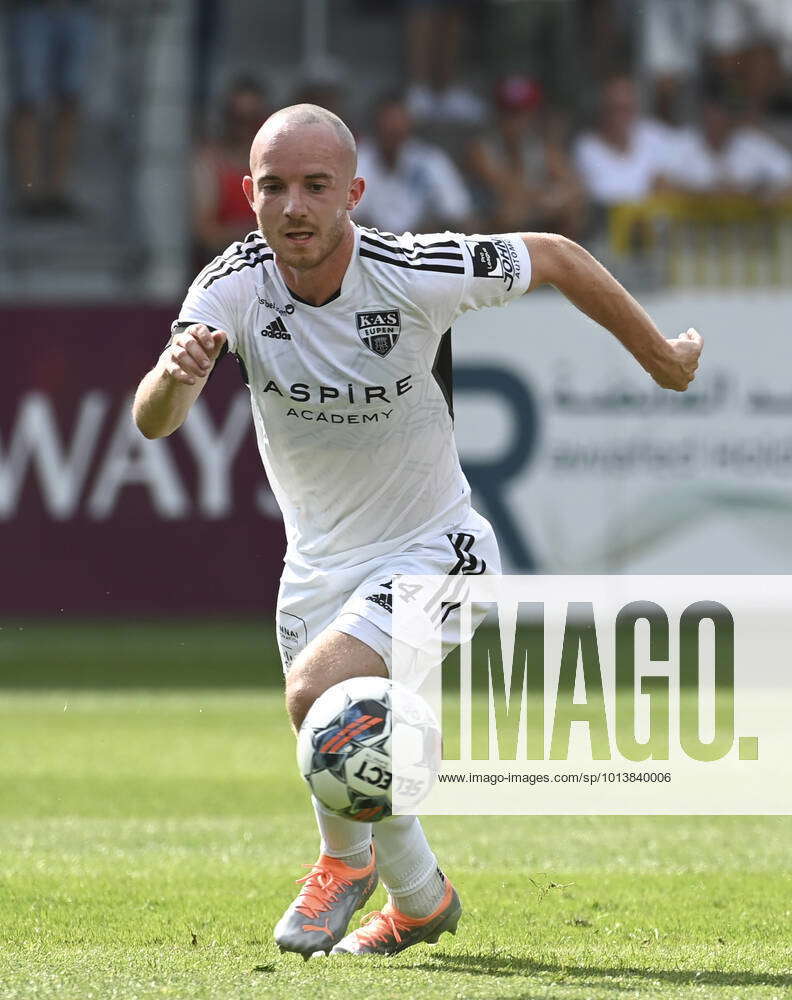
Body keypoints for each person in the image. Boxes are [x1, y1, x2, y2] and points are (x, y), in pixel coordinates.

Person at [132, 104, 702, 959]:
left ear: (353, 193)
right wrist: (174, 377)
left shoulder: (412, 270)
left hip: (441, 551)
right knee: (349, 742)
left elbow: (553, 254)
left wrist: (657, 354)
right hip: (317, 569)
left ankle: (341, 865)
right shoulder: (230, 285)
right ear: (248, 194)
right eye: (276, 188)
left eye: (316, 187)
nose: (295, 207)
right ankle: (421, 898)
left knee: (321, 702)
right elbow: (153, 423)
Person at [467, 74, 585, 238]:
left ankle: (560, 261)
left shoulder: (542, 147)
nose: (516, 120)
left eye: (522, 112)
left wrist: (556, 199)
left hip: (531, 213)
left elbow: (574, 185)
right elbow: (507, 190)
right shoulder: (480, 149)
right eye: (509, 112)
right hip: (488, 226)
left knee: (571, 209)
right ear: (498, 114)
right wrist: (546, 198)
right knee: (510, 213)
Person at [354, 93, 474, 233]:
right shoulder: (359, 159)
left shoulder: (430, 160)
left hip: (423, 247)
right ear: (376, 127)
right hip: (370, 247)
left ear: (409, 127)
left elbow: (460, 213)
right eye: (388, 128)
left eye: (398, 128)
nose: (393, 131)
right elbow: (349, 218)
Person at [192, 77, 271, 261]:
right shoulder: (209, 162)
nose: (243, 127)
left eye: (251, 119)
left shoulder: (277, 162)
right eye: (237, 118)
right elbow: (207, 234)